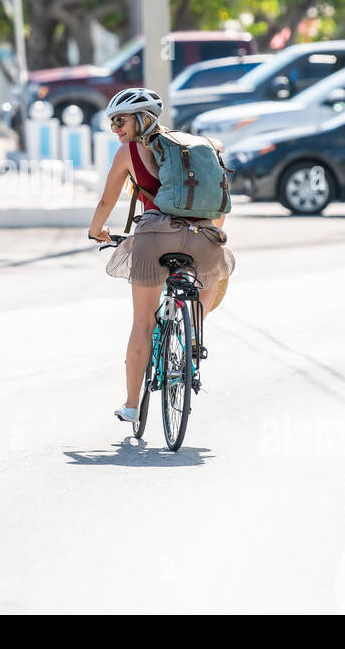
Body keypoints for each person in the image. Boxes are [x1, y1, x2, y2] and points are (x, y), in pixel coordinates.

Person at [87, 87, 235, 424]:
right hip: (203, 239)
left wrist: (97, 231)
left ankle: (130, 405)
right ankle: (193, 337)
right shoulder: (197, 148)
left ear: (142, 118)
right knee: (212, 270)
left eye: (120, 120)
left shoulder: (129, 153)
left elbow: (106, 203)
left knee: (142, 323)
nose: (116, 129)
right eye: (112, 123)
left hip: (154, 239)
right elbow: (217, 201)